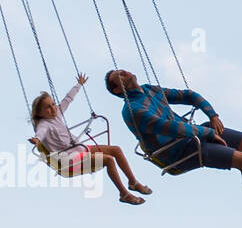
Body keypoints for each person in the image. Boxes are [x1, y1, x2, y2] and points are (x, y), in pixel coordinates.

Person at [105, 70, 242, 227]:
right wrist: (207, 133)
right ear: (116, 90)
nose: (125, 73)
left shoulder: (150, 90)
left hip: (194, 135)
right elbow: (172, 128)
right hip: (178, 151)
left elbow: (189, 95)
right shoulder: (133, 111)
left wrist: (213, 115)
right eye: (119, 76)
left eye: (123, 71)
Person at [28, 73, 152, 205]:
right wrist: (36, 140)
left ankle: (133, 182)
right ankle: (124, 194)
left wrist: (79, 84)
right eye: (48, 107)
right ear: (40, 113)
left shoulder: (57, 113)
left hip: (79, 150)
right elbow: (40, 134)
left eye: (53, 104)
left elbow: (67, 99)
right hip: (68, 160)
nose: (53, 108)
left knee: (116, 150)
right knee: (108, 160)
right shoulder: (44, 124)